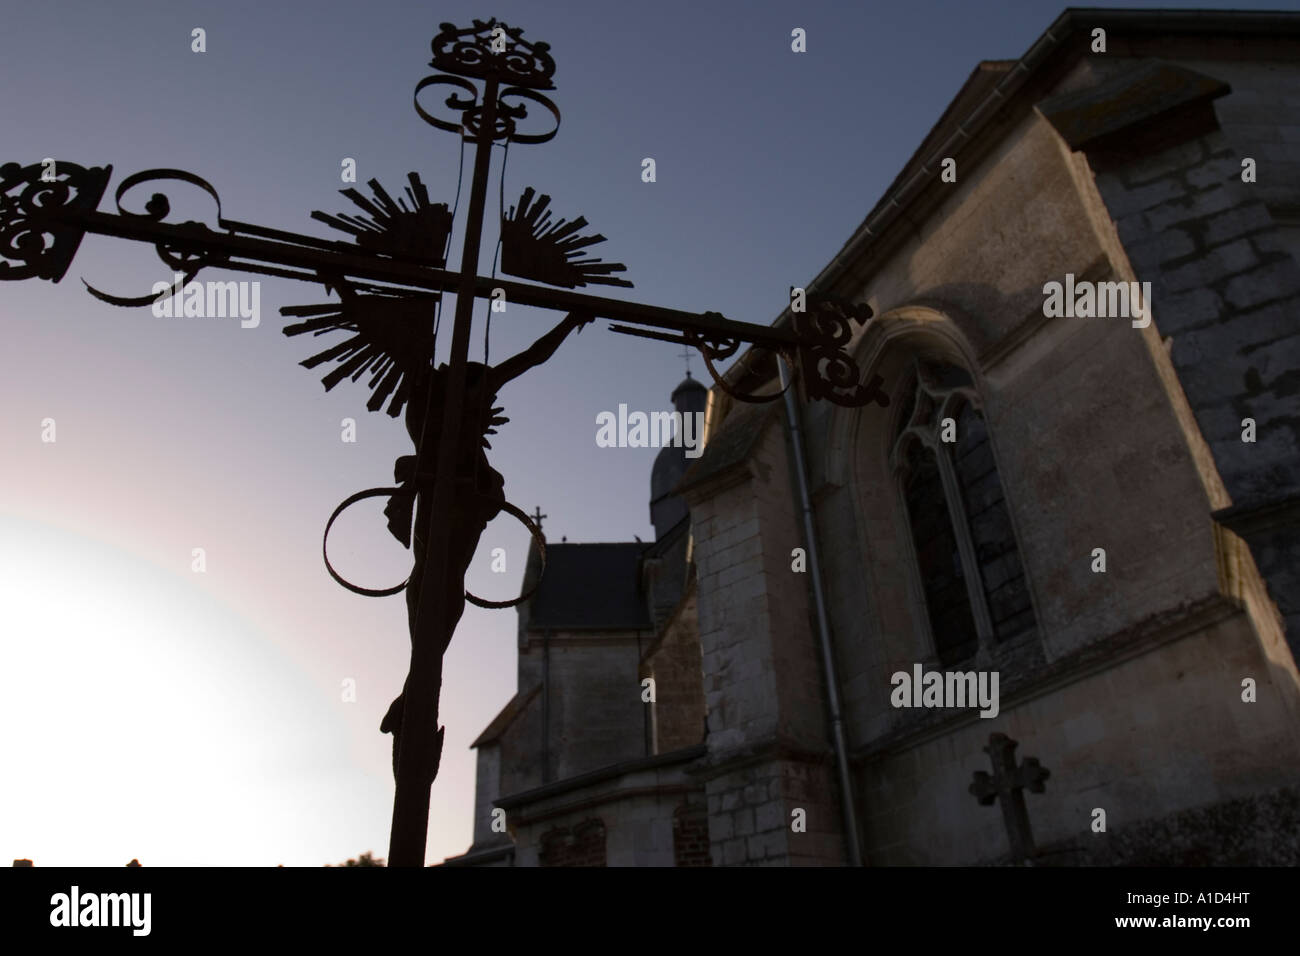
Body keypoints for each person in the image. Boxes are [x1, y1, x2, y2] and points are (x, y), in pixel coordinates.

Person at [380, 310, 594, 782]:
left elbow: (531, 358)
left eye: (481, 396)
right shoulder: (426, 386)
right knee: (428, 581)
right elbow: (384, 335)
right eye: (476, 393)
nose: (481, 401)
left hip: (469, 493)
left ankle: (413, 692)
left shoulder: (476, 385)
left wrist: (569, 321)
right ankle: (413, 693)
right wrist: (343, 283)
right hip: (441, 491)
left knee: (448, 589)